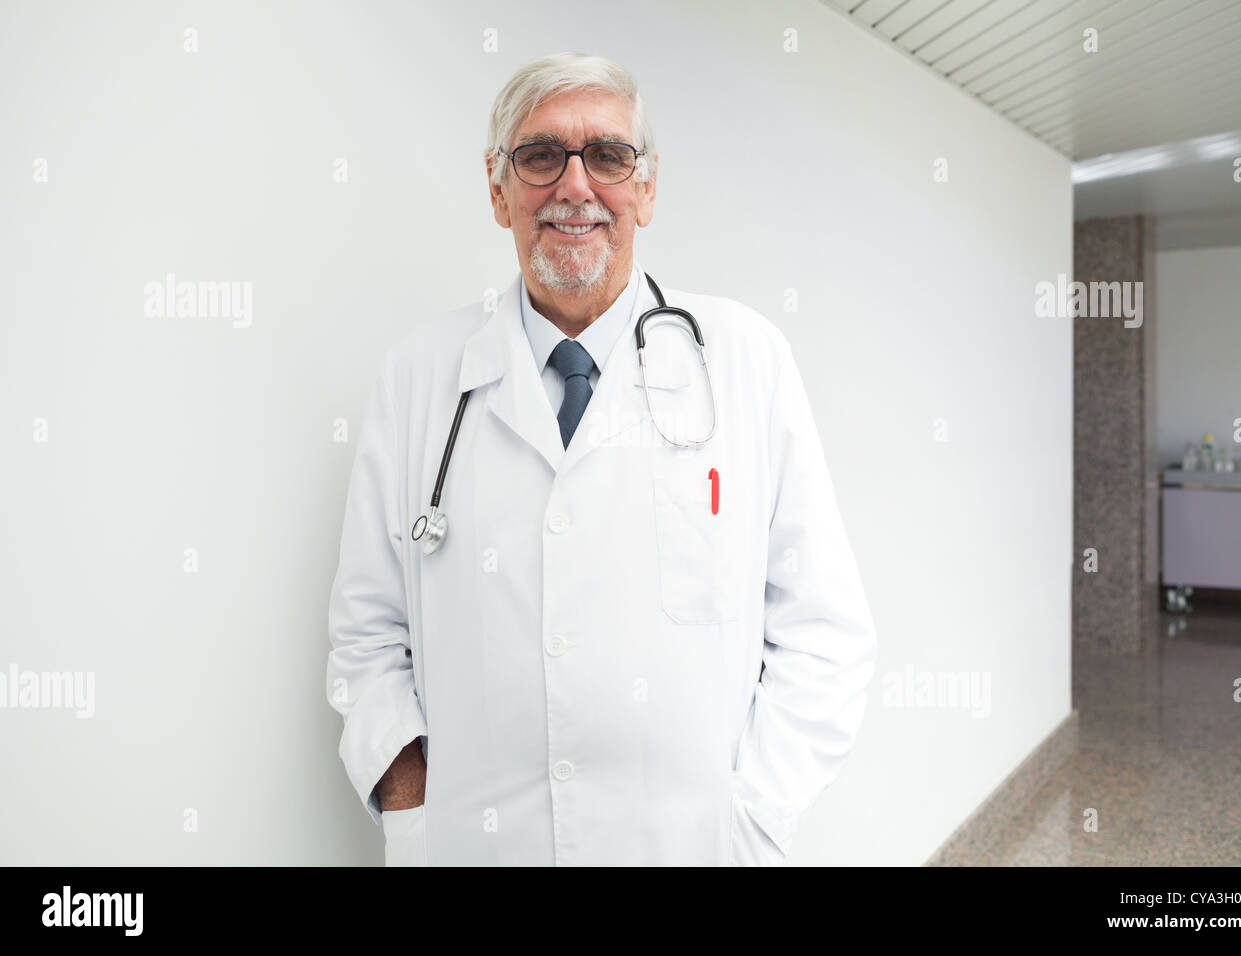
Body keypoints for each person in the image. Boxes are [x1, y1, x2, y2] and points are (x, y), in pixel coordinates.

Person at [326, 52, 878, 866]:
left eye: (609, 157)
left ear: (646, 188)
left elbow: (826, 633)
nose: (575, 187)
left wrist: (753, 818)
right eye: (540, 156)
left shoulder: (745, 360)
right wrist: (413, 815)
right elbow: (367, 637)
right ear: (497, 188)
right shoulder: (419, 377)